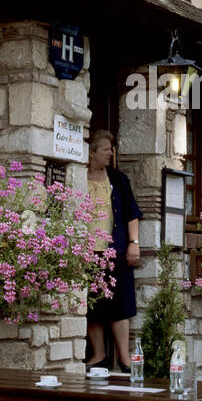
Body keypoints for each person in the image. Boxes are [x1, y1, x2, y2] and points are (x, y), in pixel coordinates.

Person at [85, 130, 142, 371]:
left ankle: (125, 359)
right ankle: (99, 355)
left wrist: (134, 243)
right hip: (87, 251)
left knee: (120, 305)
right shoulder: (79, 177)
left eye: (112, 149)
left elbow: (132, 214)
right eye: (106, 149)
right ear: (92, 152)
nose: (111, 153)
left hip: (114, 251)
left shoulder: (118, 180)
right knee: (92, 305)